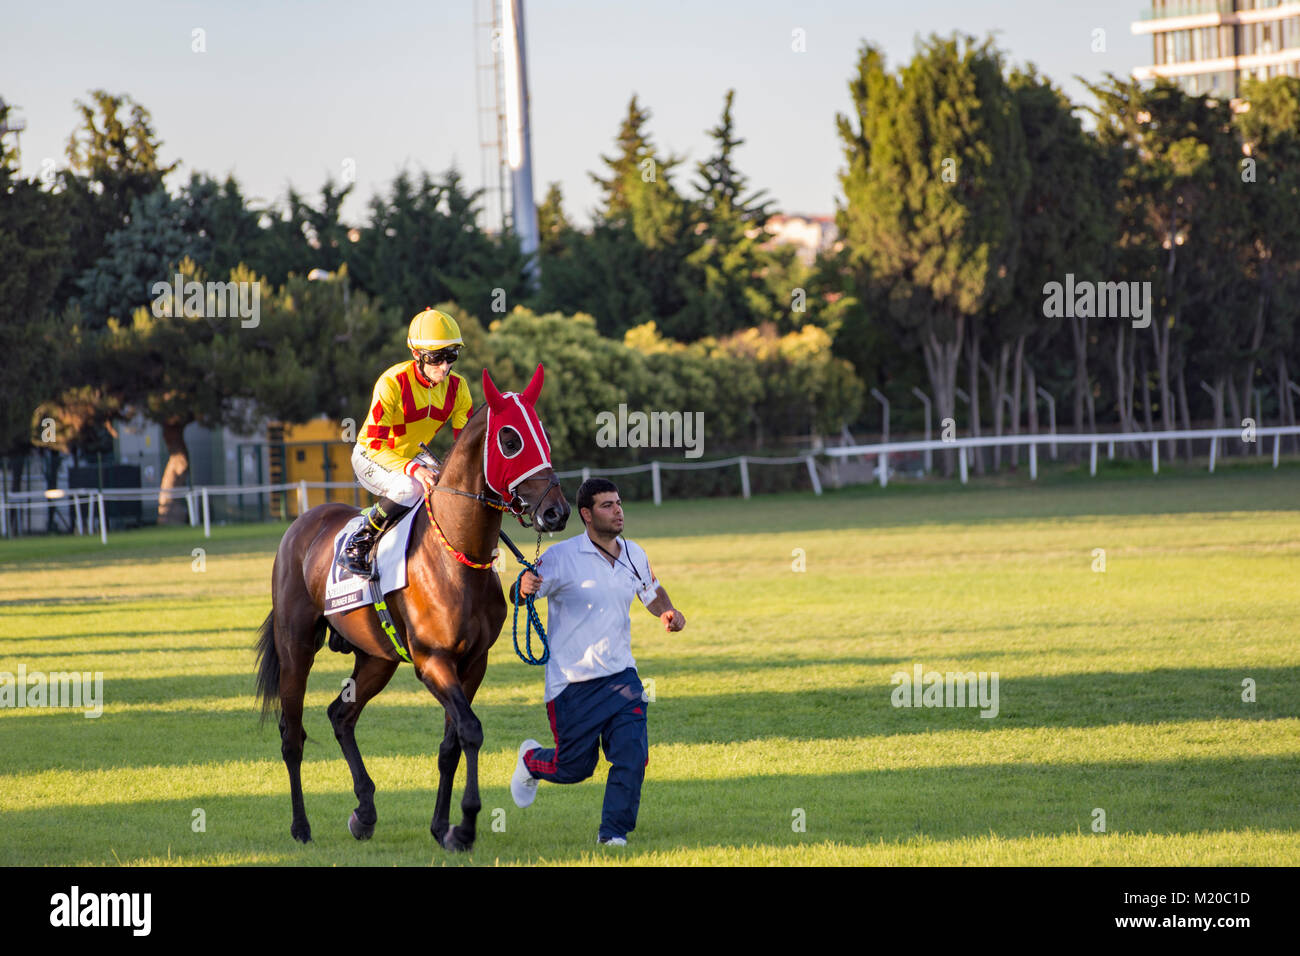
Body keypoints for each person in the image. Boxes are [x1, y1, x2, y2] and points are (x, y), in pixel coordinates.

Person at [509, 477, 686, 846]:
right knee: (574, 768)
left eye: (618, 503)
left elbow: (650, 590)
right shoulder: (561, 557)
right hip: (572, 684)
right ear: (587, 514)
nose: (617, 510)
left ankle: (613, 834)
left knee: (632, 758)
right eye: (607, 505)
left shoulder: (634, 553)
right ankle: (531, 762)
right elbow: (522, 588)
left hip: (622, 677)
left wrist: (666, 612)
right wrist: (523, 586)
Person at [340, 308, 473, 577]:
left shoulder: (459, 388)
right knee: (409, 487)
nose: (444, 366)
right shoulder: (392, 383)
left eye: (451, 356)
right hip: (372, 454)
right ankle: (358, 543)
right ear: (416, 354)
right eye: (436, 358)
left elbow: (464, 448)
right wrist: (415, 469)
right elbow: (376, 444)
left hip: (412, 456)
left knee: (446, 488)